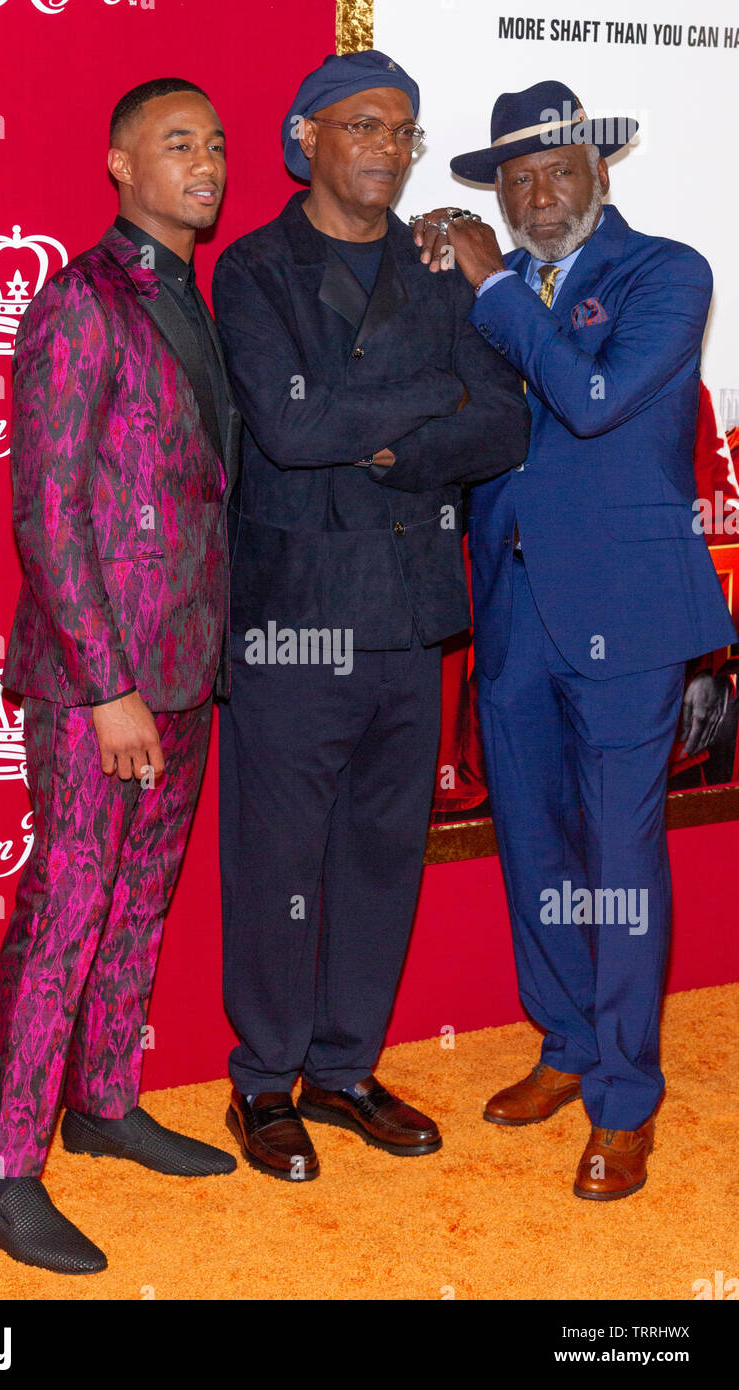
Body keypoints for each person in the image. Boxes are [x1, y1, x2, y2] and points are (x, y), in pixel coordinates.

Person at [412, 79, 737, 1199]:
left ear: (601, 175)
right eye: (516, 178)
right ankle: (565, 1043)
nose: (539, 192)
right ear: (497, 193)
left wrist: (494, 287)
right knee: (537, 849)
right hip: (509, 611)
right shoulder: (479, 290)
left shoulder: (667, 273)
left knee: (619, 861)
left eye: (558, 170)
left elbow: (592, 400)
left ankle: (627, 1098)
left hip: (630, 615)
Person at [212, 51, 529, 1182]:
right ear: (304, 138)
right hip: (295, 620)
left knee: (382, 856)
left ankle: (344, 1069)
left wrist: (394, 438)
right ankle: (262, 1082)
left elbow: (504, 424)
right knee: (279, 856)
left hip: (412, 614)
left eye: (404, 129)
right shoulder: (253, 270)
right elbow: (292, 430)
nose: (388, 149)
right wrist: (428, 400)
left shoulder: (442, 264)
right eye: (363, 126)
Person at [0, 77, 241, 1273]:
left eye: (218, 145)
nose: (208, 163)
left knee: (139, 902)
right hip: (100, 682)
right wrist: (108, 681)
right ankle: (3, 1172)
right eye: (179, 144)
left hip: (187, 665)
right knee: (68, 909)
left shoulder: (192, 297)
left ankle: (105, 1101)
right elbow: (49, 510)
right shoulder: (80, 302)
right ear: (120, 164)